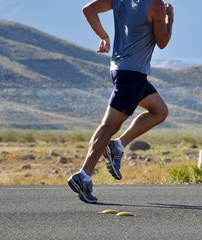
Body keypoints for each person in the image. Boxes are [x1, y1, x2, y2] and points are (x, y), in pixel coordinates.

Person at [67, 0, 174, 203]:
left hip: (122, 70)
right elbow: (162, 42)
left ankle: (117, 146)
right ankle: (83, 175)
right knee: (108, 126)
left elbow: (88, 10)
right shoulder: (156, 5)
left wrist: (103, 37)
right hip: (132, 75)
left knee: (159, 111)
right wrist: (170, 19)